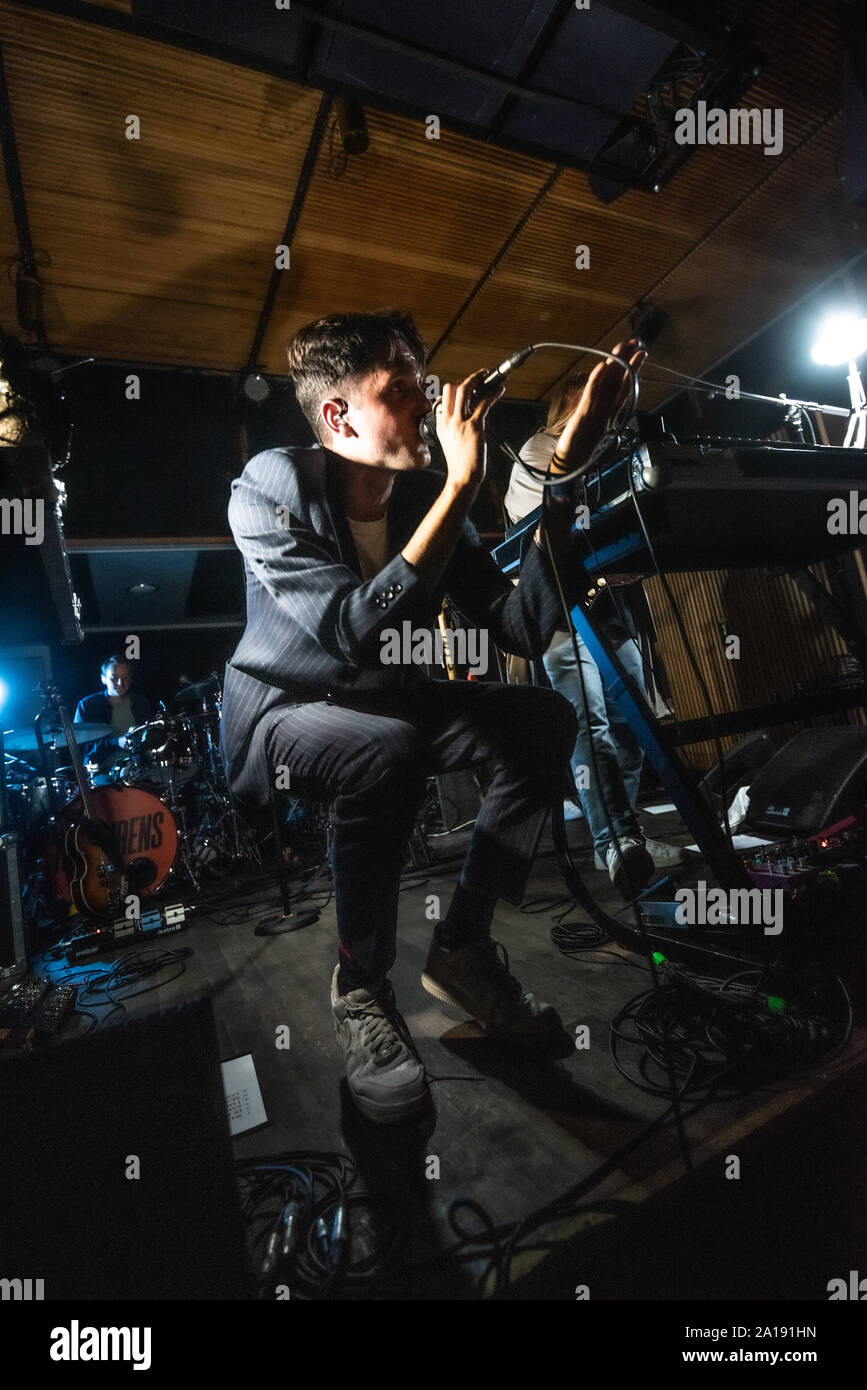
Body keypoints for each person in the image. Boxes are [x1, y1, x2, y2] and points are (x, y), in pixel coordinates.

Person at [220, 309, 645, 1125]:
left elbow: (519, 629)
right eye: (401, 387)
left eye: (425, 380)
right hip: (287, 708)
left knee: (542, 718)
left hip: (389, 705)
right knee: (385, 748)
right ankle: (359, 984)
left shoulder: (421, 494)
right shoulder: (271, 484)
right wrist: (460, 486)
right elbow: (350, 631)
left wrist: (565, 471)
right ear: (338, 415)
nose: (428, 399)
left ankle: (463, 949)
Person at [505, 373, 683, 898]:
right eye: (605, 406)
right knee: (590, 724)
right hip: (561, 613)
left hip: (603, 608)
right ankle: (615, 842)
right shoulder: (539, 450)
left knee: (634, 718)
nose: (614, 417)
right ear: (576, 403)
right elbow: (542, 529)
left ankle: (626, 836)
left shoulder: (610, 452)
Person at [74, 656, 152, 776]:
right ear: (103, 679)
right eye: (114, 678)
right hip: (101, 770)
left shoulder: (140, 703)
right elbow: (81, 746)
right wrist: (117, 743)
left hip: (138, 768)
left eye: (125, 677)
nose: (121, 683)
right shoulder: (87, 705)